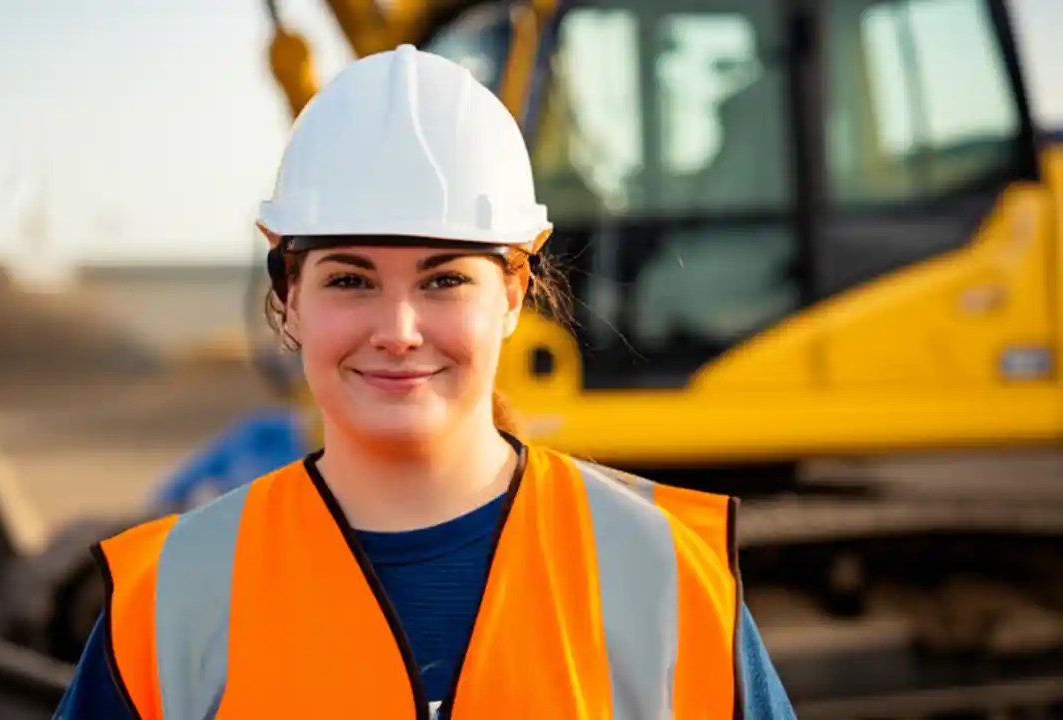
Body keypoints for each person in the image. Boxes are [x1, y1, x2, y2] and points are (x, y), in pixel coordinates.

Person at [55, 44, 795, 719]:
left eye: (443, 280)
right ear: (290, 295)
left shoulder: (668, 576)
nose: (399, 329)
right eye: (350, 279)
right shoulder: (171, 598)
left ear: (512, 294)